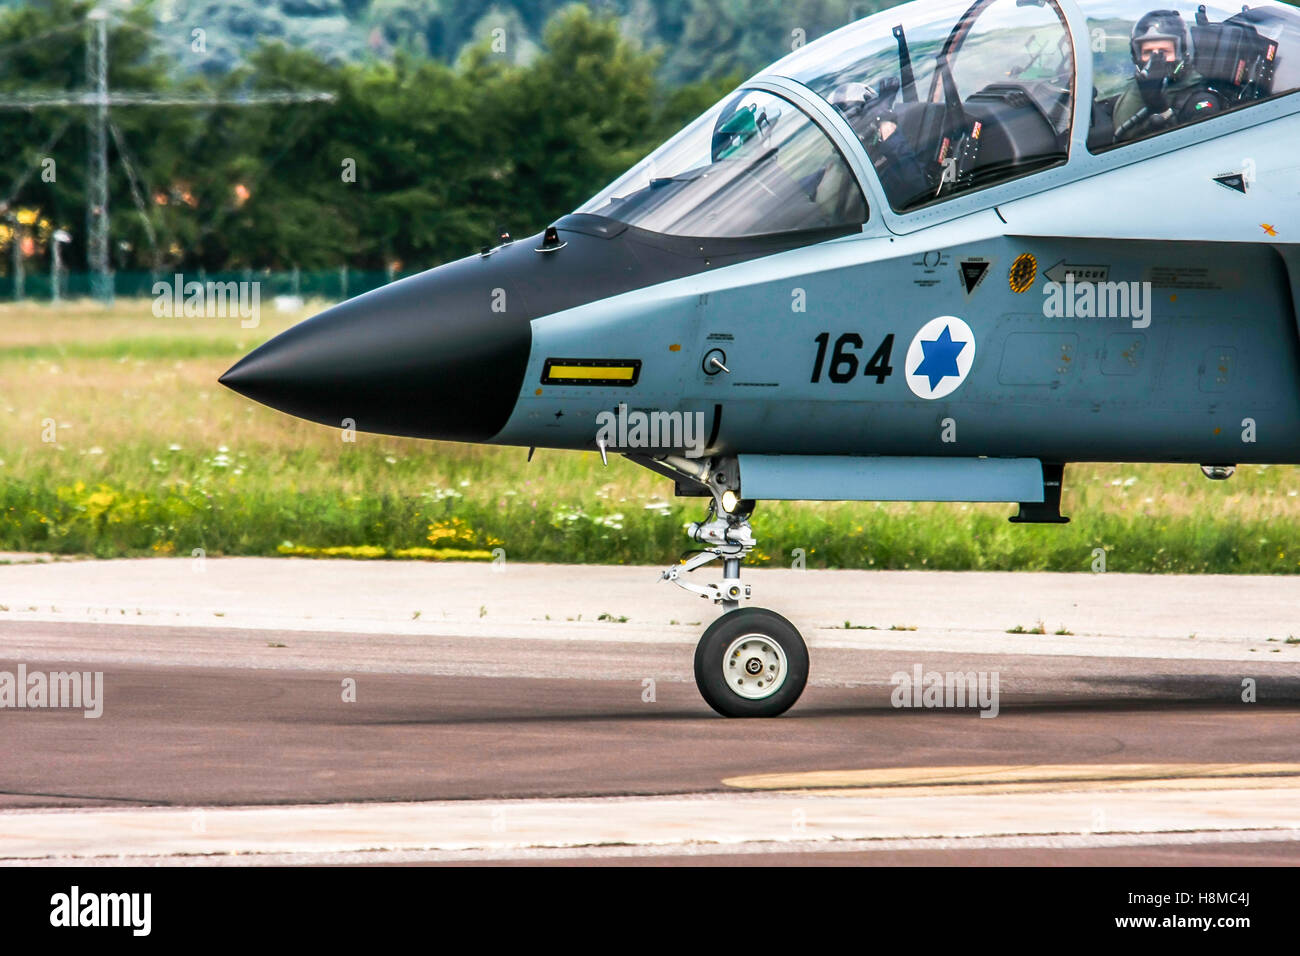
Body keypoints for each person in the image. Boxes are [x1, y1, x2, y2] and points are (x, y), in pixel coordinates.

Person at [1111, 9, 1224, 143]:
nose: (1155, 59)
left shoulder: (1200, 101)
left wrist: (1161, 109)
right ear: (1137, 57)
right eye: (1148, 52)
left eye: (1164, 51)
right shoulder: (1134, 92)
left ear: (1182, 53)